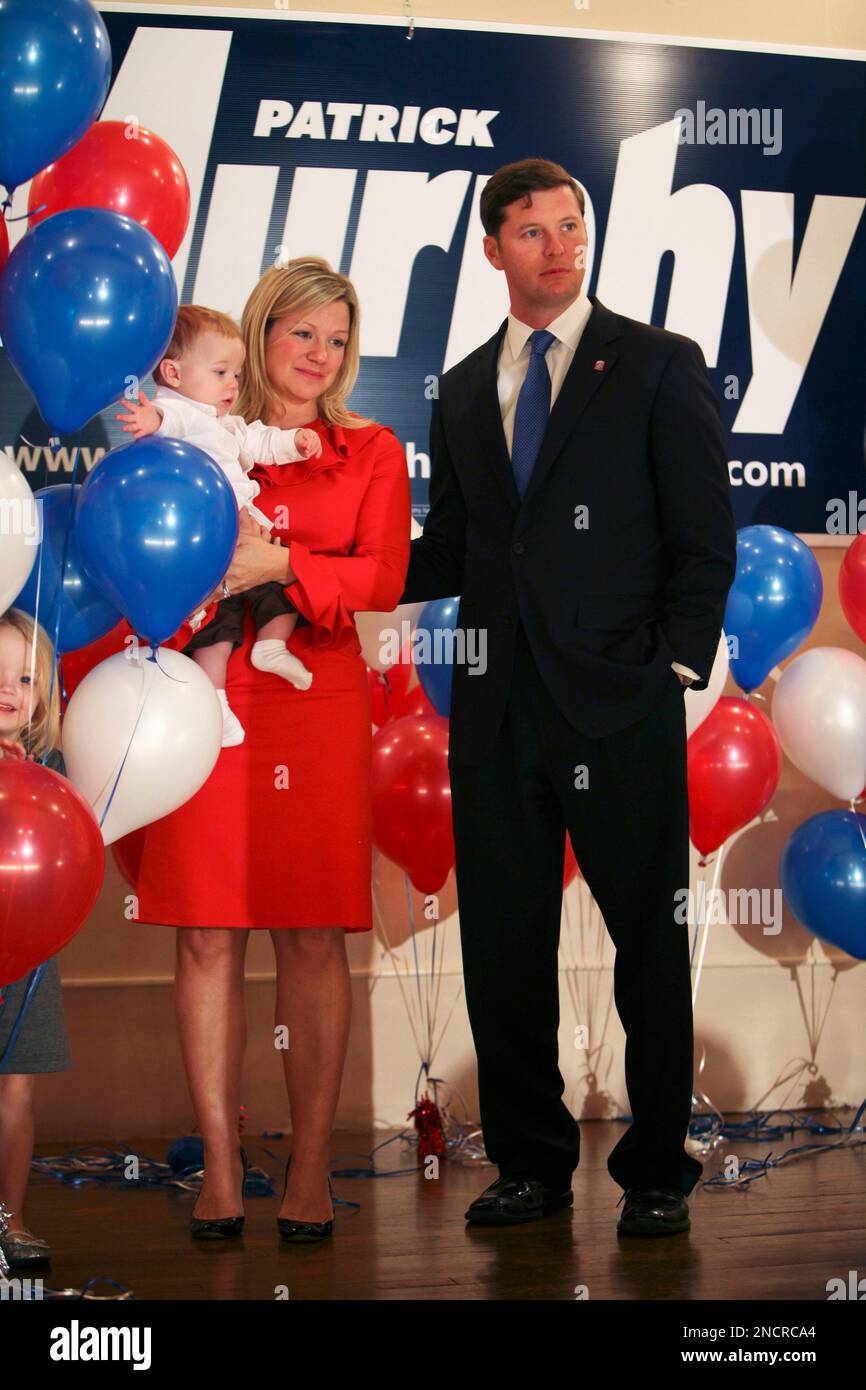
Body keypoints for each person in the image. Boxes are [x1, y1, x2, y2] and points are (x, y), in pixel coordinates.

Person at [399, 158, 737, 1235]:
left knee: (646, 940)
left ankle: (651, 1172)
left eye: (569, 226)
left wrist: (674, 665)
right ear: (492, 248)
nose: (557, 245)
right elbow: (448, 546)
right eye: (532, 231)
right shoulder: (458, 388)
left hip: (619, 700)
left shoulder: (653, 361)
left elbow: (702, 537)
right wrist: (318, 558)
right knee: (502, 946)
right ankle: (531, 1165)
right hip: (495, 710)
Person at [134, 257, 411, 1242]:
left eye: (336, 339)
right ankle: (217, 1166)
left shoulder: (371, 448)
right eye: (302, 334)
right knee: (206, 930)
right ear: (260, 333)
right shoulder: (194, 424)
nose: (319, 356)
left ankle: (304, 1171)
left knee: (309, 933)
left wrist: (280, 562)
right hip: (201, 691)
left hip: (315, 695)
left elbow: (380, 575)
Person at [115, 304, 325, 746]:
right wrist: (152, 419)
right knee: (220, 622)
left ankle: (270, 645)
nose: (232, 384)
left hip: (245, 533)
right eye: (220, 372)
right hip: (206, 542)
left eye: (237, 374)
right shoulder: (180, 412)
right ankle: (214, 697)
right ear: (172, 373)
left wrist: (295, 442)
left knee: (279, 583)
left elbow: (260, 438)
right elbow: (170, 419)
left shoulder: (223, 422)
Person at [0, 608, 69, 1268]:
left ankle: (10, 1220)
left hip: (29, 962)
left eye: (23, 676)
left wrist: (29, 781)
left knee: (16, 1092)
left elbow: (64, 853)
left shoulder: (51, 763)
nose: (8, 691)